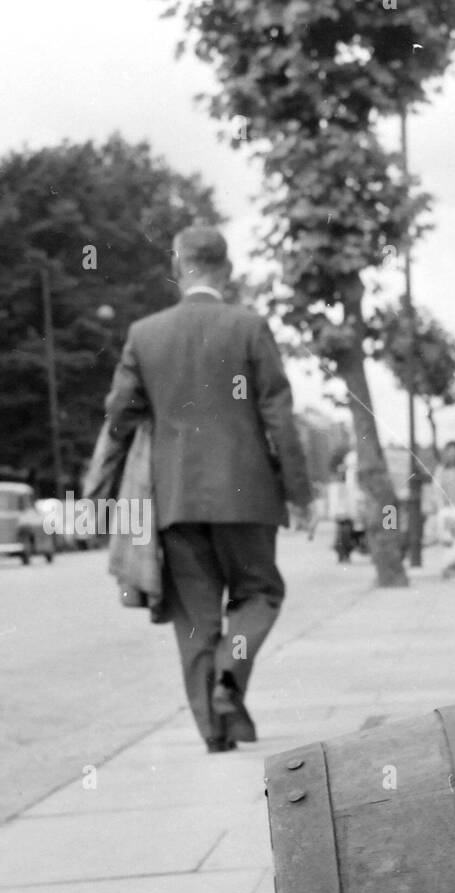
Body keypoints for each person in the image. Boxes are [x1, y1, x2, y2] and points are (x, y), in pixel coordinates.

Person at [89, 225, 312, 752]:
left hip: (176, 500)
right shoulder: (250, 327)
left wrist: (96, 497)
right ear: (226, 268)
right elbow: (279, 416)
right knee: (260, 593)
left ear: (178, 264)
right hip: (249, 494)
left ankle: (215, 733)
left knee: (195, 618)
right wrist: (300, 491)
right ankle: (230, 677)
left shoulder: (145, 335)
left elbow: (118, 417)